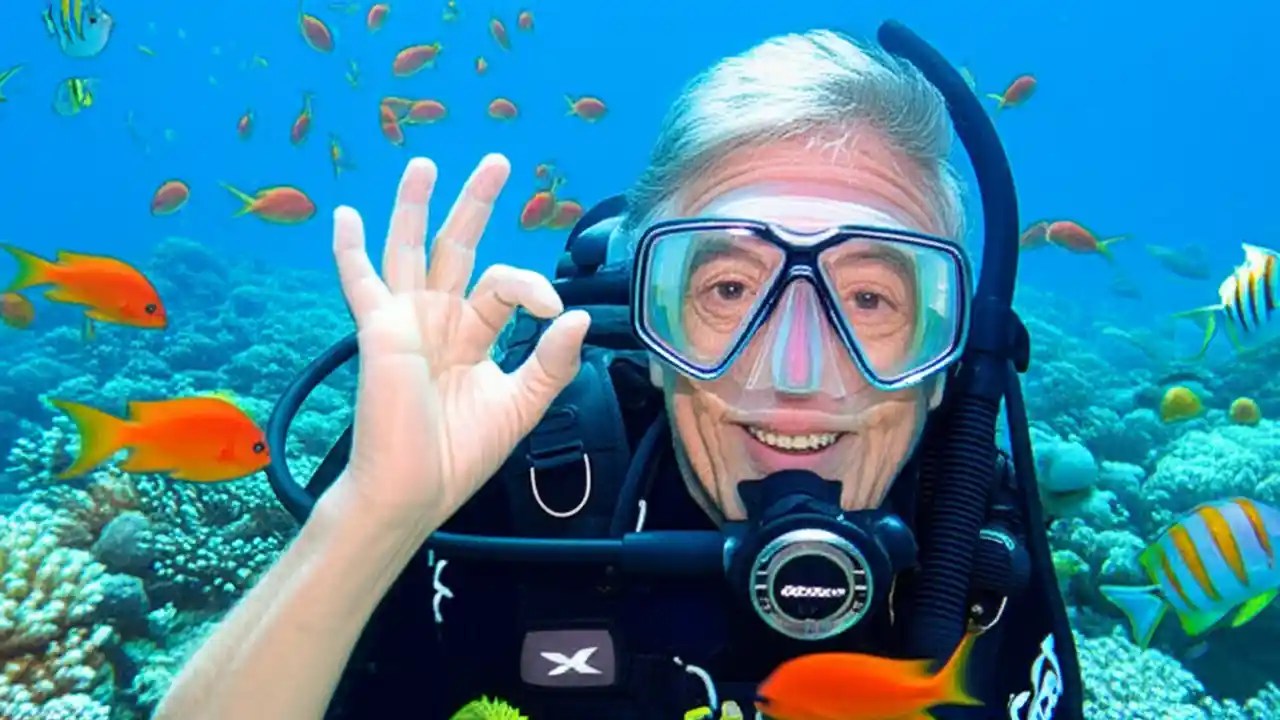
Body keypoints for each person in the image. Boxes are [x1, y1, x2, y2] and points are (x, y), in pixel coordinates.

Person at [155, 23, 1084, 720]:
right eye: (728, 287)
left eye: (872, 302)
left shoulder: (974, 545)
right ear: (646, 313)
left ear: (948, 351)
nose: (799, 373)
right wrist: (369, 523)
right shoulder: (505, 493)